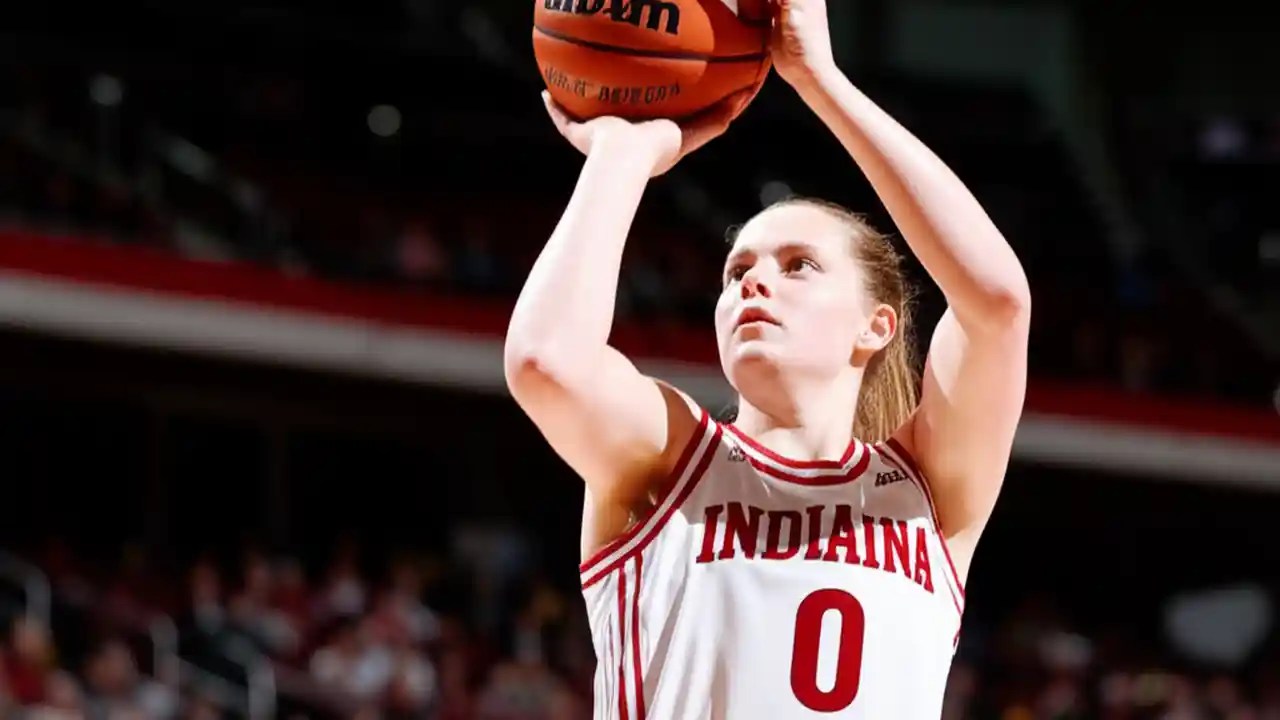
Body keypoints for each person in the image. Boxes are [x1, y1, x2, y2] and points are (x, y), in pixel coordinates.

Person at [504, 0, 1031, 717]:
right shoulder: (670, 458)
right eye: (736, 270)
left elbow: (997, 302)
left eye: (799, 265)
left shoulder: (928, 492)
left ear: (875, 325)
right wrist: (623, 154)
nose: (752, 279)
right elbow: (546, 361)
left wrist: (821, 82)